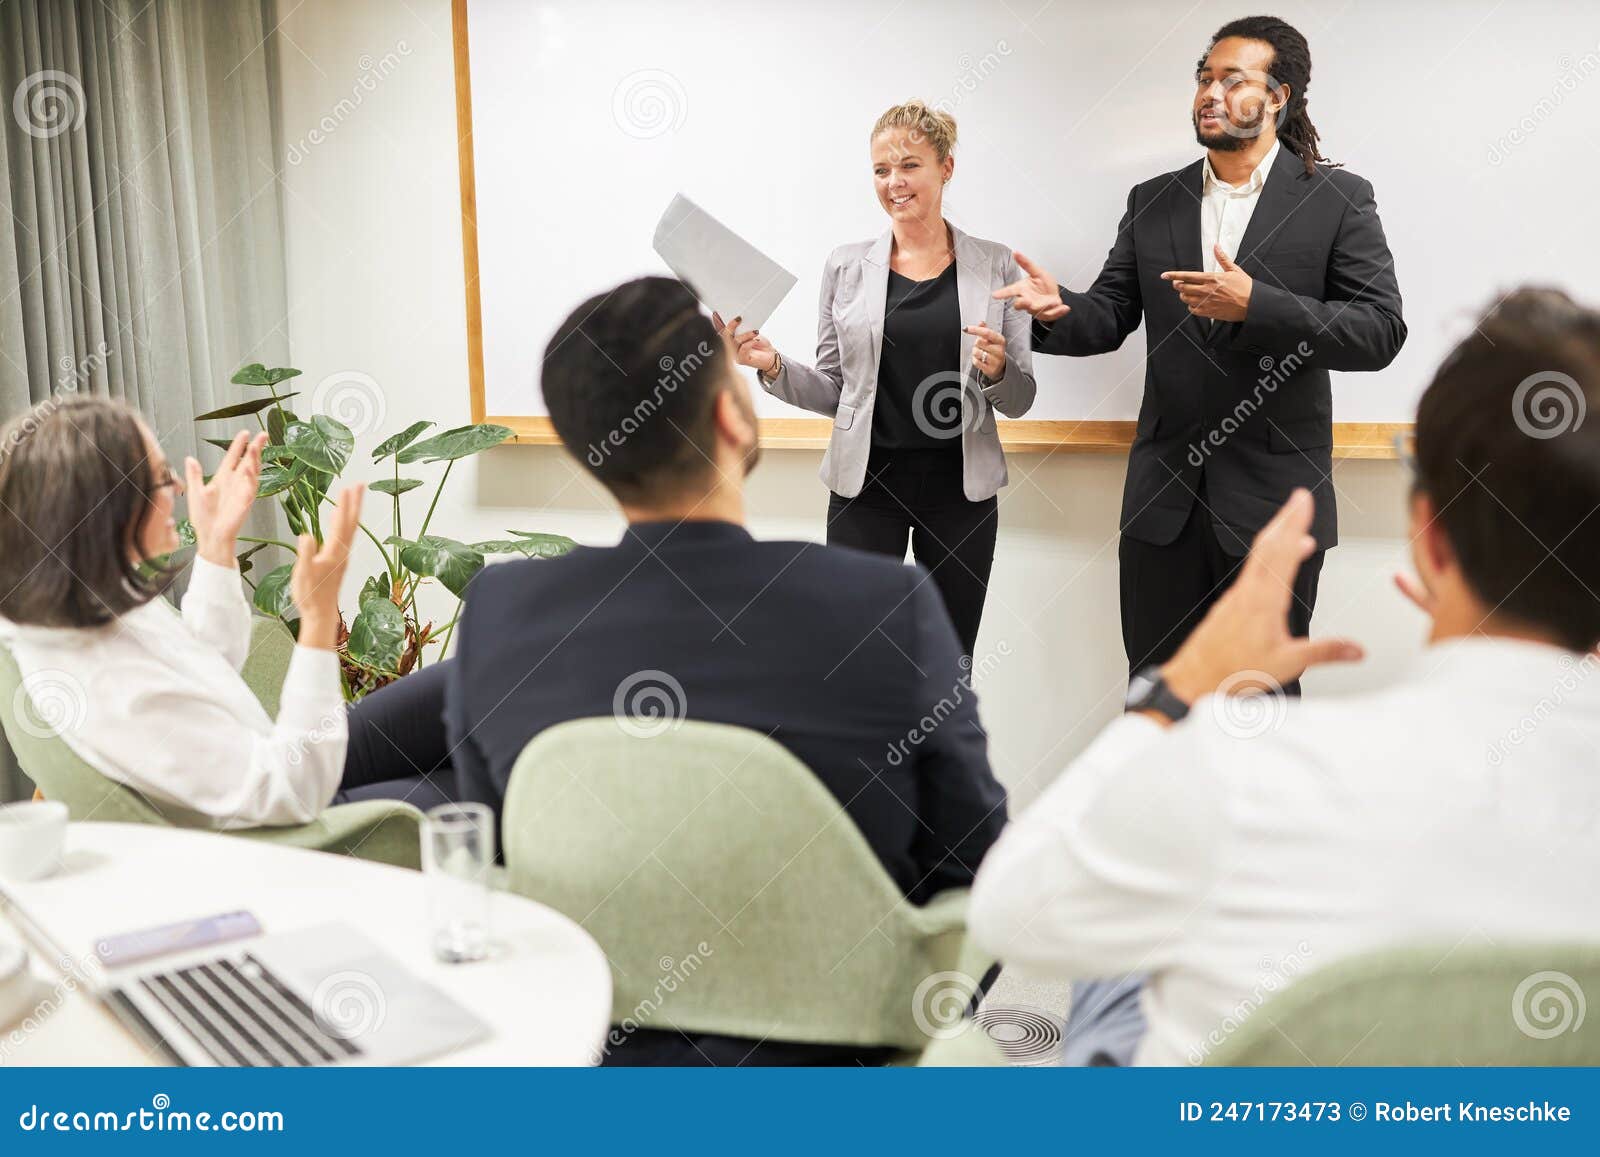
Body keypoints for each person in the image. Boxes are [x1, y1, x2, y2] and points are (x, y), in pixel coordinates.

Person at [968, 287, 1600, 1066]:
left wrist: (1178, 690)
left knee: (1126, 959)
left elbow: (1009, 909)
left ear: (1428, 538)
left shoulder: (1244, 772)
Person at [445, 275, 1008, 1065]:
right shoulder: (884, 603)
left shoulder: (501, 611)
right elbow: (978, 868)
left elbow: (499, 854)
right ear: (728, 417)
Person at [997, 15, 1405, 693]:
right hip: (1164, 503)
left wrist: (1260, 306)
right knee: (1155, 694)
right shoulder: (1155, 200)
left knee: (1260, 700)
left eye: (1232, 80)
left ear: (1278, 96)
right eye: (1204, 77)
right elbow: (1110, 316)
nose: (1210, 93)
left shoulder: (1337, 199)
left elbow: (1379, 331)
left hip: (1274, 510)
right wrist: (1056, 309)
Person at [0, 396, 457, 826]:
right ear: (108, 510)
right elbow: (290, 791)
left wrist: (218, 541)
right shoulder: (108, 682)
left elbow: (208, 668)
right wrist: (317, 622)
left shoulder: (83, 606)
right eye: (161, 478)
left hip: (280, 761)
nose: (180, 488)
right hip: (294, 814)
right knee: (484, 779)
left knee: (468, 680)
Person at [720, 100, 1037, 658]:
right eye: (881, 170)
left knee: (948, 662)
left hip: (959, 495)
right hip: (865, 492)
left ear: (947, 168)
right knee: (857, 661)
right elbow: (836, 390)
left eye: (910, 165)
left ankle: (940, 750)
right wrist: (772, 365)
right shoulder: (845, 266)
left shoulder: (997, 265)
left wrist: (999, 370)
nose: (895, 182)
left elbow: (1021, 398)